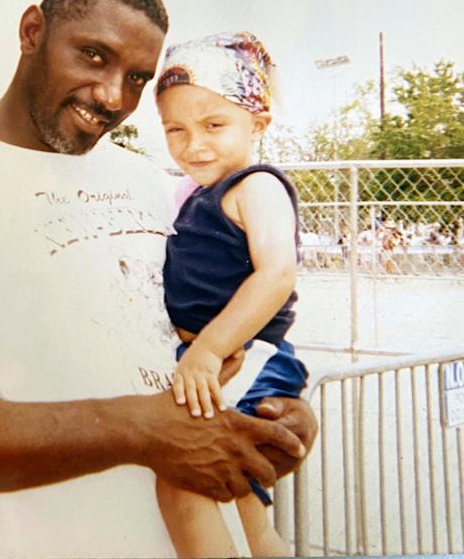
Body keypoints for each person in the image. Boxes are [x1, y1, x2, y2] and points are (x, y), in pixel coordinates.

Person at [0, 0, 317, 558]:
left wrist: (277, 415)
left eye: (138, 78)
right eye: (94, 55)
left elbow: (191, 333)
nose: (113, 96)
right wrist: (140, 431)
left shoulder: (150, 183)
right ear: (33, 31)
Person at [152, 32, 307, 557]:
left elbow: (276, 274)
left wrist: (210, 348)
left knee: (184, 483)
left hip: (244, 357)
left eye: (214, 125)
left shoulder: (256, 187)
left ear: (257, 124)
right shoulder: (196, 194)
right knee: (242, 507)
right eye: (175, 129)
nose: (193, 144)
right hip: (214, 362)